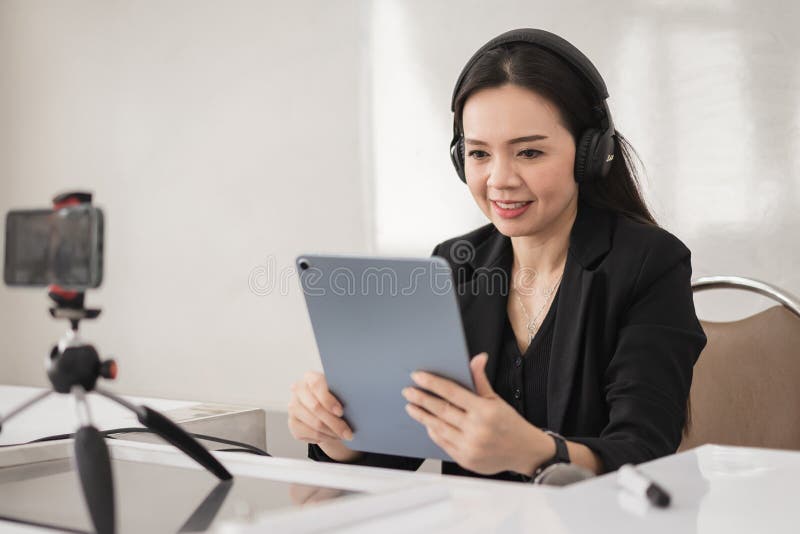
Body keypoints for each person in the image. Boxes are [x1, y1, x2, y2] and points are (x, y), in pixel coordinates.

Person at [288, 28, 707, 482]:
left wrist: (534, 452)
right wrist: (334, 432)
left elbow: (644, 451)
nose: (499, 179)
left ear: (589, 155)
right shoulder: (453, 264)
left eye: (529, 152)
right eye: (479, 153)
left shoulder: (650, 264)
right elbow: (397, 450)